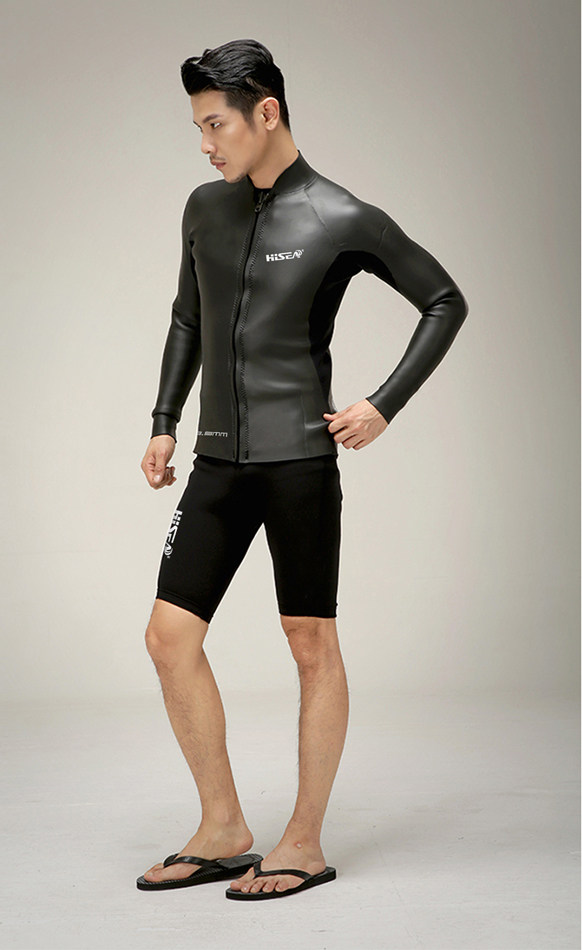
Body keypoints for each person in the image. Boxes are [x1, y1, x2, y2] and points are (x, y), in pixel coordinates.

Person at [136, 38, 468, 901]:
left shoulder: (339, 215)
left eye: (216, 124)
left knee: (310, 643)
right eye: (198, 127)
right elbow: (187, 319)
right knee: (169, 638)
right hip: (218, 460)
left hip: (298, 465)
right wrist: (165, 422)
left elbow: (443, 299)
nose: (204, 144)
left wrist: (383, 403)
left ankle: (305, 842)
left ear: (267, 112)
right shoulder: (205, 209)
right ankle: (223, 827)